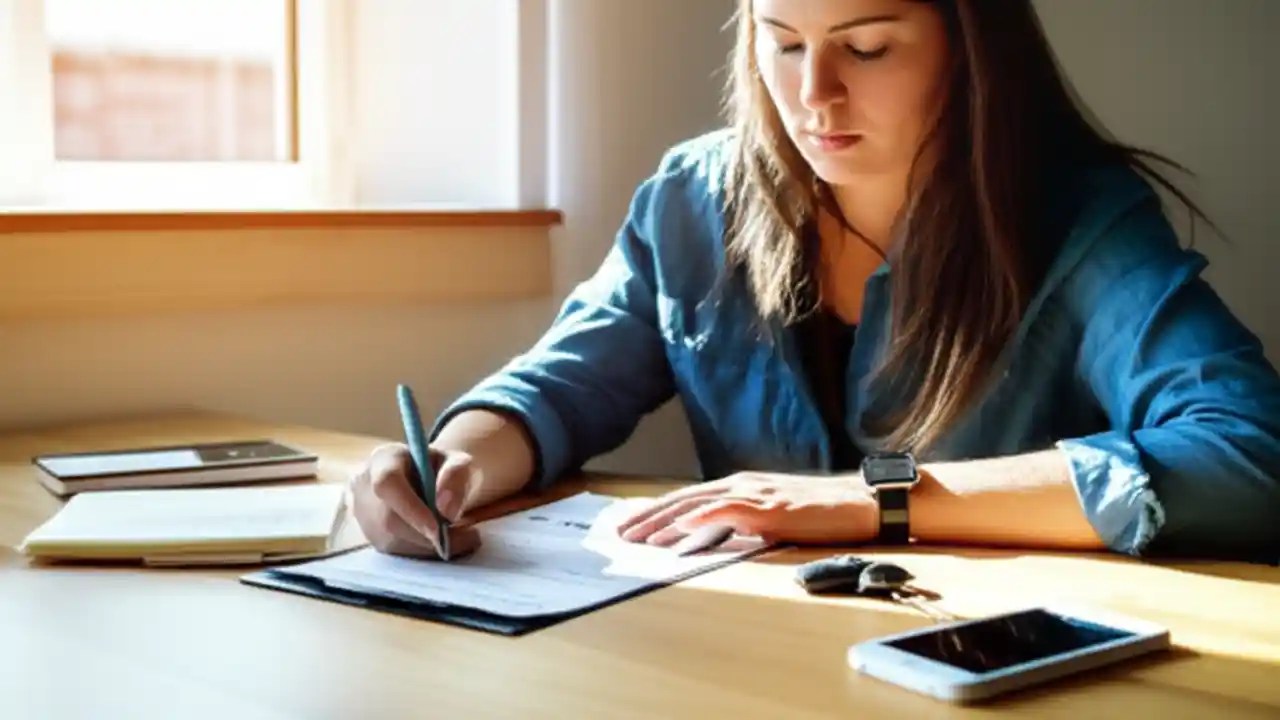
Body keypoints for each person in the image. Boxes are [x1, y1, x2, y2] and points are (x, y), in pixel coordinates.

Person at [350, 0, 1280, 564]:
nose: (814, 93)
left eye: (866, 47)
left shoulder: (1077, 217)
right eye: (782, 41)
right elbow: (558, 388)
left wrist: (875, 497)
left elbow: (1249, 455)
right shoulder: (692, 197)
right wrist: (455, 461)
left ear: (968, 47)